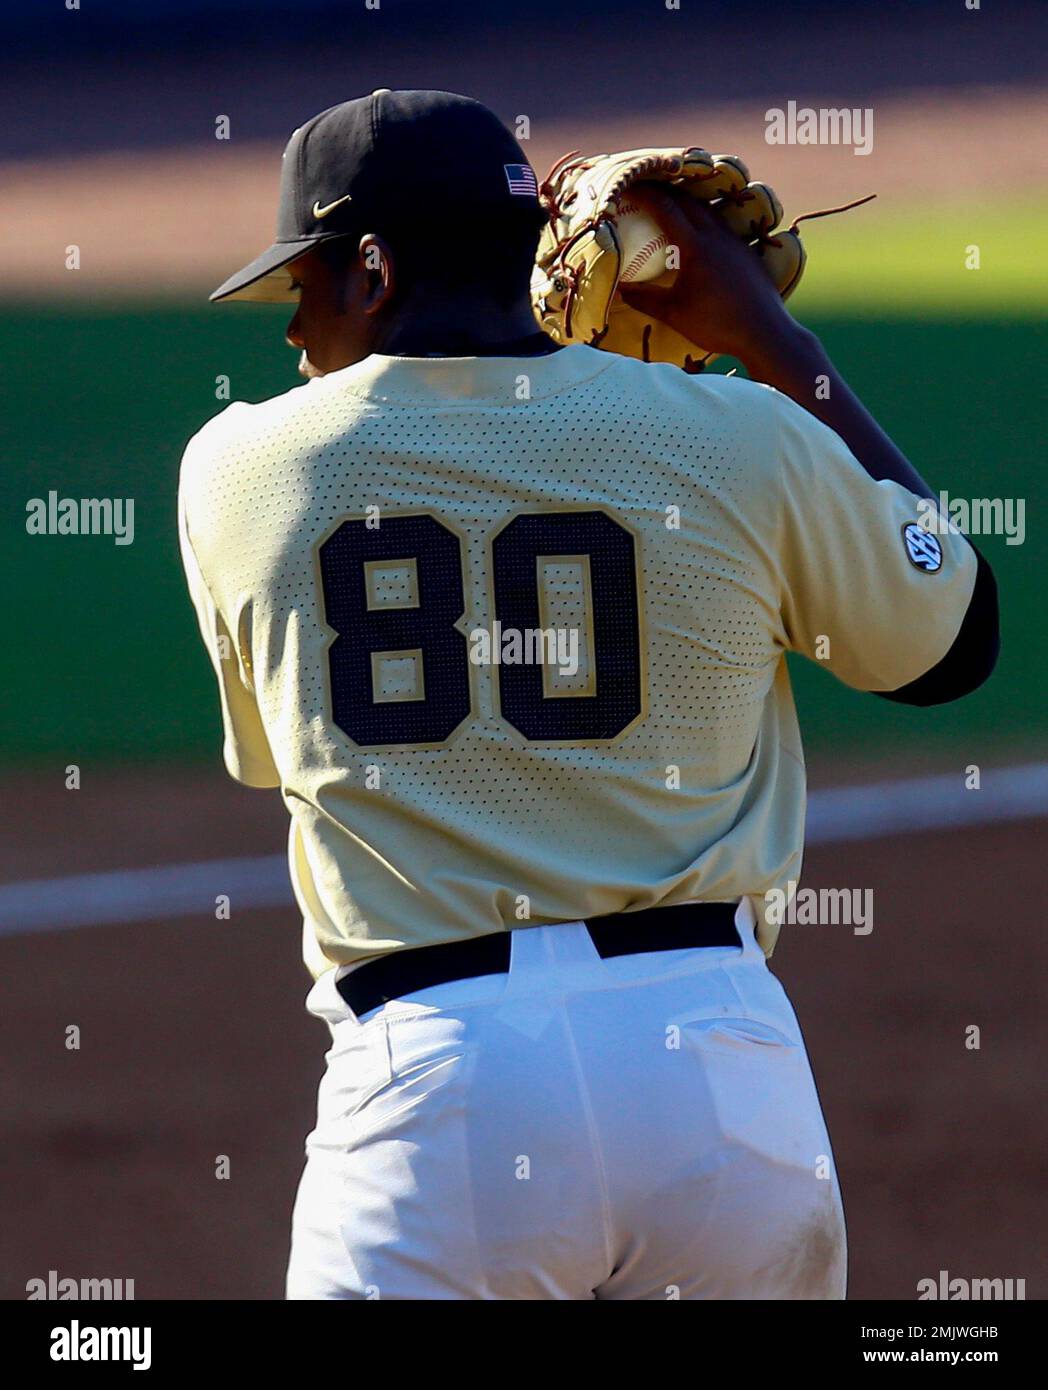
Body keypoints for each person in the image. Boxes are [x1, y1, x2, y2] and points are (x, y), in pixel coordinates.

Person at [179, 89, 998, 1300]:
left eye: (302, 284)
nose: (290, 328)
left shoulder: (238, 467)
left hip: (438, 1090)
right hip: (723, 1084)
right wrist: (775, 342)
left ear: (372, 268)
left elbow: (278, 754)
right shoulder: (737, 434)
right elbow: (953, 645)